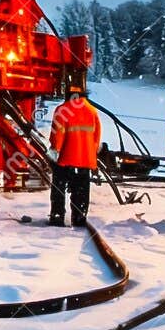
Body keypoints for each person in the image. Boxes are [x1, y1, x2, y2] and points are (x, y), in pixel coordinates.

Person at [48, 82, 101, 227]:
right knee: (81, 190)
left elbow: (57, 136)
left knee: (59, 188)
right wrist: (90, 153)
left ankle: (57, 216)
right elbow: (96, 138)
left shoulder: (62, 110)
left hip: (66, 158)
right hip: (85, 160)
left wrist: (54, 152)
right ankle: (79, 217)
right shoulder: (92, 111)